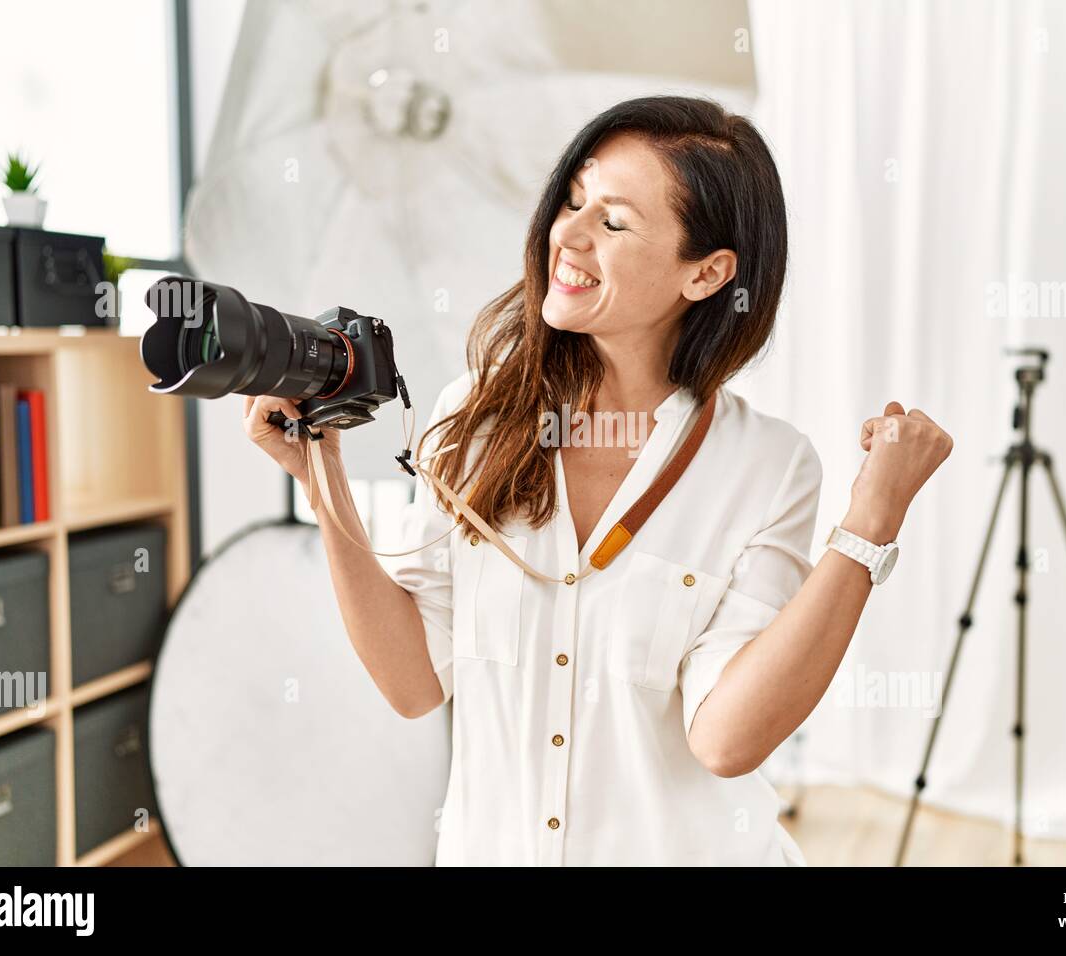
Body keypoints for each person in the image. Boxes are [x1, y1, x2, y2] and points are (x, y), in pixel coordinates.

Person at [243, 95, 953, 866]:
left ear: (707, 273)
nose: (568, 235)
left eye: (613, 222)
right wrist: (323, 479)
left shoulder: (768, 466)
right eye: (573, 201)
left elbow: (726, 737)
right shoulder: (475, 419)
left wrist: (871, 521)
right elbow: (413, 680)